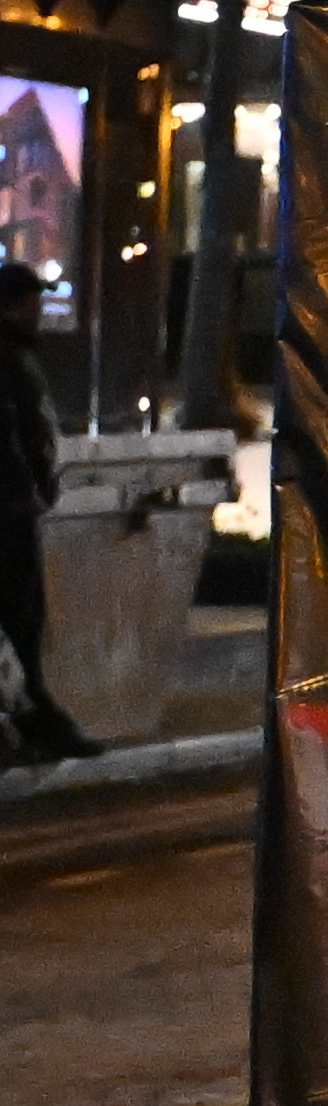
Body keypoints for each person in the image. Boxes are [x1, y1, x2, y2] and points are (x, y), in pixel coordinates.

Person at [0, 263, 84, 763]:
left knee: (22, 619)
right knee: (20, 617)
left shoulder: (17, 354)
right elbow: (9, 434)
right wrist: (26, 490)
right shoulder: (8, 357)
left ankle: (33, 722)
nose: (39, 310)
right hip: (9, 515)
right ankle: (33, 724)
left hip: (15, 510)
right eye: (33, 300)